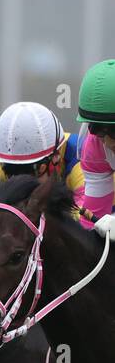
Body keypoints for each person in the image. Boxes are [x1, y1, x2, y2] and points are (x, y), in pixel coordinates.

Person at [0, 101, 84, 193]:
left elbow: (88, 211)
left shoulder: (82, 161)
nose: (23, 184)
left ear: (56, 156)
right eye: (12, 173)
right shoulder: (3, 163)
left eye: (34, 171)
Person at [75, 59, 115, 237]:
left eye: (113, 131)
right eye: (97, 130)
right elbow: (92, 220)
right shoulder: (94, 147)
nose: (107, 143)